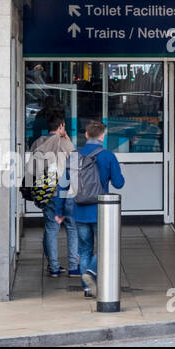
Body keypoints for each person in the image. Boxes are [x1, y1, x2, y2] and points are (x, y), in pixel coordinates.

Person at [74, 121, 125, 299]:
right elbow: (119, 183)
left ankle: (87, 288)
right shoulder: (108, 156)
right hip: (100, 210)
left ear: (86, 135)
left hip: (79, 210)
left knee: (84, 249)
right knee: (104, 246)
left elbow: (65, 184)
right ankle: (91, 272)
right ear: (103, 136)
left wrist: (58, 211)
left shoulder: (75, 156)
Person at [29, 115, 78, 278]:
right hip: (67, 192)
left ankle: (54, 267)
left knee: (51, 228)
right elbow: (76, 162)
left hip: (48, 192)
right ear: (61, 126)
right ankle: (73, 266)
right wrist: (68, 140)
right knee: (72, 227)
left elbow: (32, 166)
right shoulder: (64, 142)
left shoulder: (39, 142)